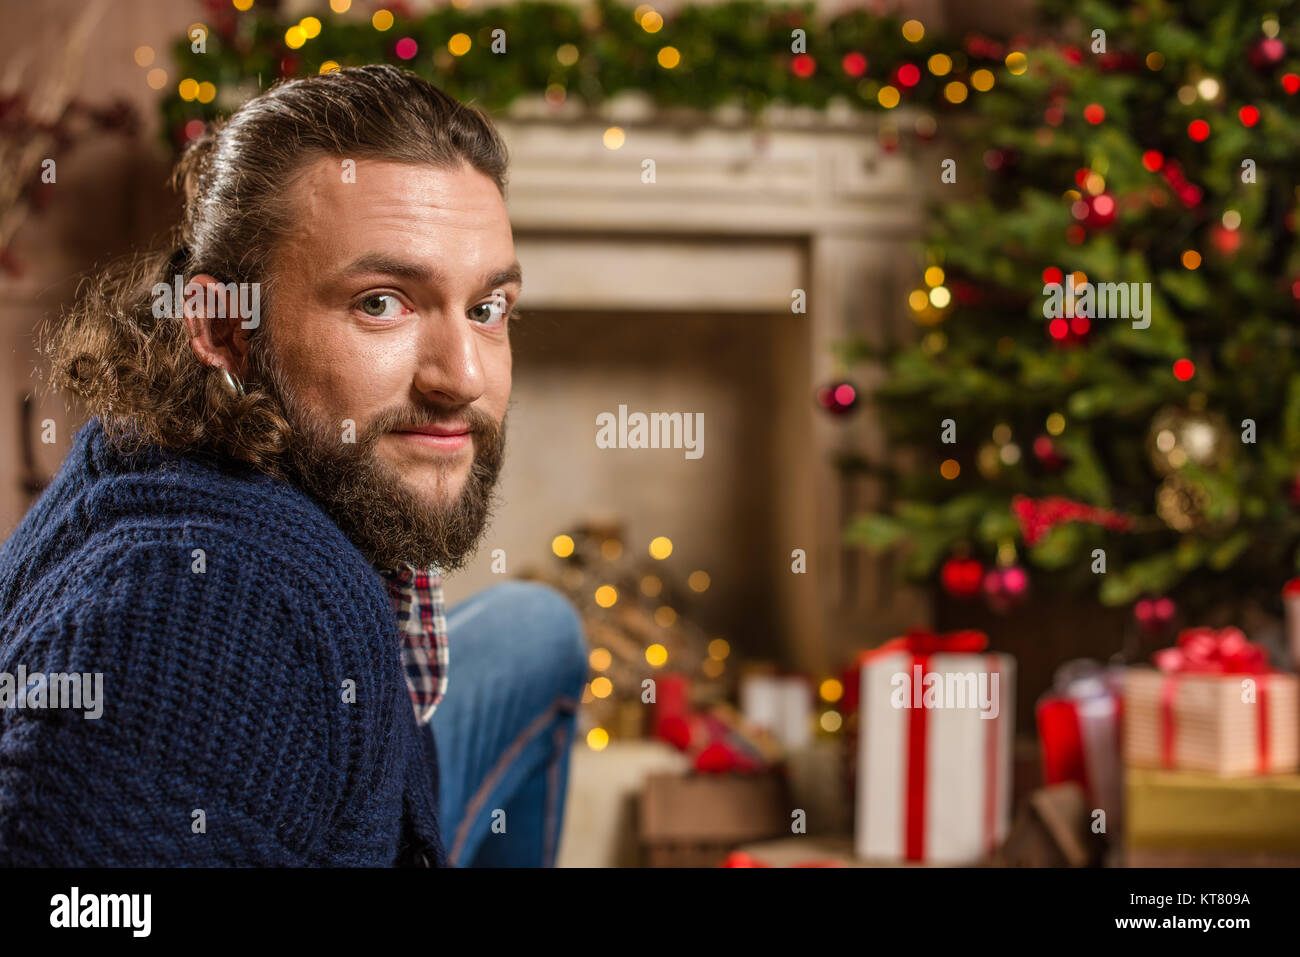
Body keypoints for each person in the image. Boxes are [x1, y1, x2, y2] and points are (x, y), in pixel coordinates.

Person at [0, 64, 586, 867]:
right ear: (221, 327)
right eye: (382, 301)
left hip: (362, 770)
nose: (463, 376)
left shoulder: (165, 452)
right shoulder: (205, 615)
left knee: (536, 627)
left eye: (486, 309)